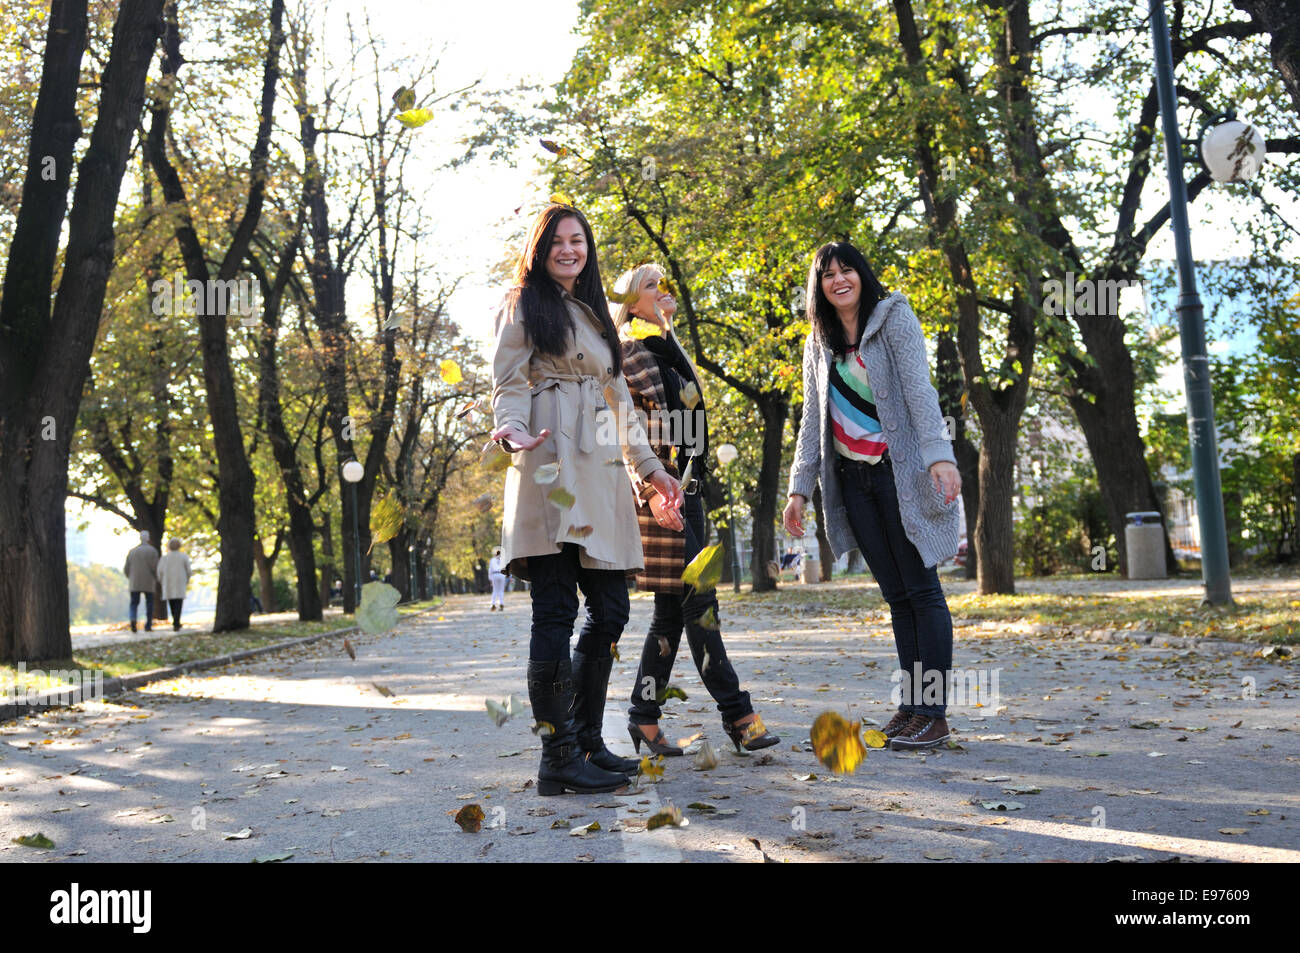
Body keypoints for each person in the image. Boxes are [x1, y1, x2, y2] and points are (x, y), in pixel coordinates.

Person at [490, 203, 682, 796]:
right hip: (548, 463)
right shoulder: (525, 304)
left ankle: (587, 740)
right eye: (558, 241)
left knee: (612, 609)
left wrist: (650, 469)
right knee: (555, 612)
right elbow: (507, 380)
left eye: (578, 240)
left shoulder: (598, 312)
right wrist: (511, 429)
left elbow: (619, 398)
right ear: (540, 248)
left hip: (599, 471)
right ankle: (557, 756)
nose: (570, 249)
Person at [783, 242, 963, 751]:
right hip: (853, 483)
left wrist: (939, 455)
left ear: (862, 275)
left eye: (847, 271)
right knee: (896, 596)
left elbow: (920, 392)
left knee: (922, 590)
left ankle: (933, 713)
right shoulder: (818, 343)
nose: (839, 280)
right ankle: (912, 708)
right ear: (819, 287)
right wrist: (799, 488)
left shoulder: (893, 319)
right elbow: (811, 420)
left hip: (897, 475)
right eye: (828, 275)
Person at [613, 263, 779, 756]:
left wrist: (670, 330)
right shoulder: (624, 355)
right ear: (629, 302)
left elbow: (692, 418)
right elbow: (629, 435)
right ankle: (739, 715)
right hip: (663, 493)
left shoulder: (668, 347)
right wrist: (651, 490)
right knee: (699, 604)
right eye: (651, 285)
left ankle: (643, 717)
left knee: (672, 611)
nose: (662, 291)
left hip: (691, 490)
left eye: (663, 283)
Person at [123, 531, 160, 633]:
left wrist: (130, 577)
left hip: (135, 582)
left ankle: (133, 620)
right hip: (148, 581)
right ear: (148, 538)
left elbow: (126, 568)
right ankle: (148, 625)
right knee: (149, 603)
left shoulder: (132, 552)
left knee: (134, 603)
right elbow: (155, 567)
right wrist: (157, 578)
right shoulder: (152, 551)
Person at [156, 537, 192, 631]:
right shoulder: (183, 556)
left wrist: (161, 581)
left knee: (171, 602)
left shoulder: (165, 558)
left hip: (168, 582)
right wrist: (187, 579)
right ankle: (176, 621)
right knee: (178, 603)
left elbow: (159, 571)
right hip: (180, 581)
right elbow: (188, 570)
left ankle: (175, 621)